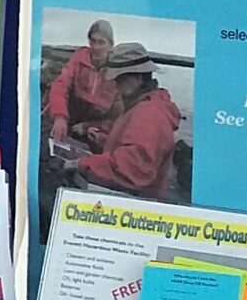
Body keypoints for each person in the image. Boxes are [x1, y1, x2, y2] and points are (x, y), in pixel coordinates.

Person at [68, 43, 180, 199]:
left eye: (121, 79)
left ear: (138, 77)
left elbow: (132, 169)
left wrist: (81, 163)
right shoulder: (144, 105)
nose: (116, 85)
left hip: (137, 204)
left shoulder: (148, 114)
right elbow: (138, 147)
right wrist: (103, 140)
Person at [45, 19, 121, 150]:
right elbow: (60, 85)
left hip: (93, 130)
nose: (96, 47)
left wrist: (88, 127)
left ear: (111, 45)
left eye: (101, 42)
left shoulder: (119, 73)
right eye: (93, 41)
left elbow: (118, 118)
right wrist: (60, 117)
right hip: (67, 119)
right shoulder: (79, 58)